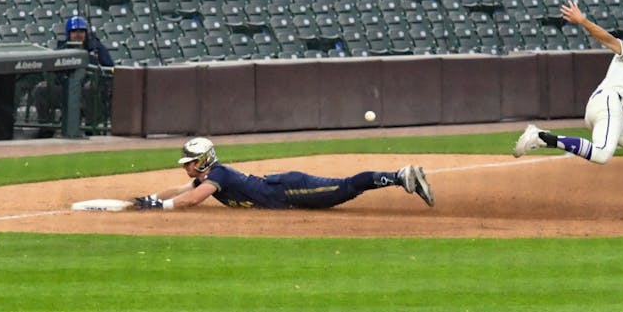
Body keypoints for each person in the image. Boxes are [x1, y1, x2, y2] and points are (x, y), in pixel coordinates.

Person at [511, 0, 623, 225]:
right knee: (601, 154)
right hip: (608, 102)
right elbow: (609, 40)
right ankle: (540, 137)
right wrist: (583, 21)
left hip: (616, 115)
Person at [133, 137, 436, 210]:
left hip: (289, 189)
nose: (185, 166)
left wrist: (161, 207)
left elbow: (192, 199)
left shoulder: (219, 175)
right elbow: (181, 191)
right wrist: (150, 199)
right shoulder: (205, 177)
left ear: (203, 160)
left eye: (189, 162)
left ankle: (400, 175)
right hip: (284, 192)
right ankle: (400, 176)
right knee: (340, 192)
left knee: (342, 188)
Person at [33, 15, 115, 136]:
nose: (78, 34)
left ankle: (92, 129)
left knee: (89, 89)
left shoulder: (96, 48)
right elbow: (54, 72)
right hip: (66, 90)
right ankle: (46, 127)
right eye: (74, 31)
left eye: (81, 31)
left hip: (91, 92)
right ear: (68, 33)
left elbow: (110, 68)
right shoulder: (62, 49)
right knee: (41, 90)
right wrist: (51, 82)